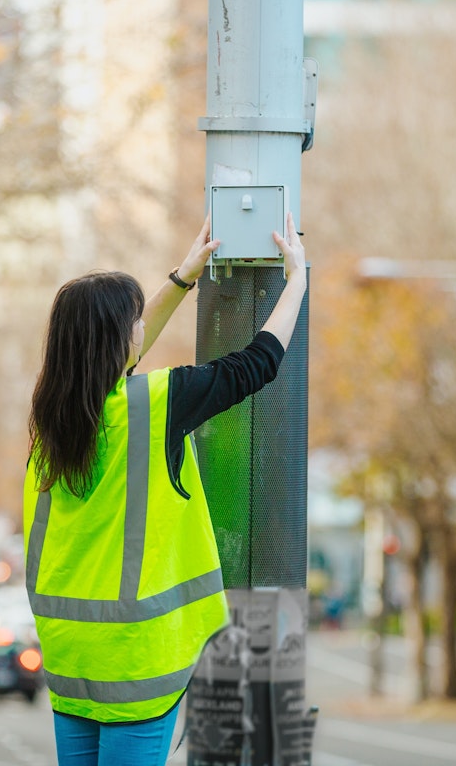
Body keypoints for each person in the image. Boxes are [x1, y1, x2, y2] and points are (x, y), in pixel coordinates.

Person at [23, 212, 307, 766]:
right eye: (133, 322)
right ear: (117, 340)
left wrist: (182, 278)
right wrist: (296, 279)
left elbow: (113, 354)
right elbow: (257, 364)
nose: (140, 331)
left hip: (71, 656)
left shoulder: (53, 420)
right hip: (136, 660)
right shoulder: (155, 404)